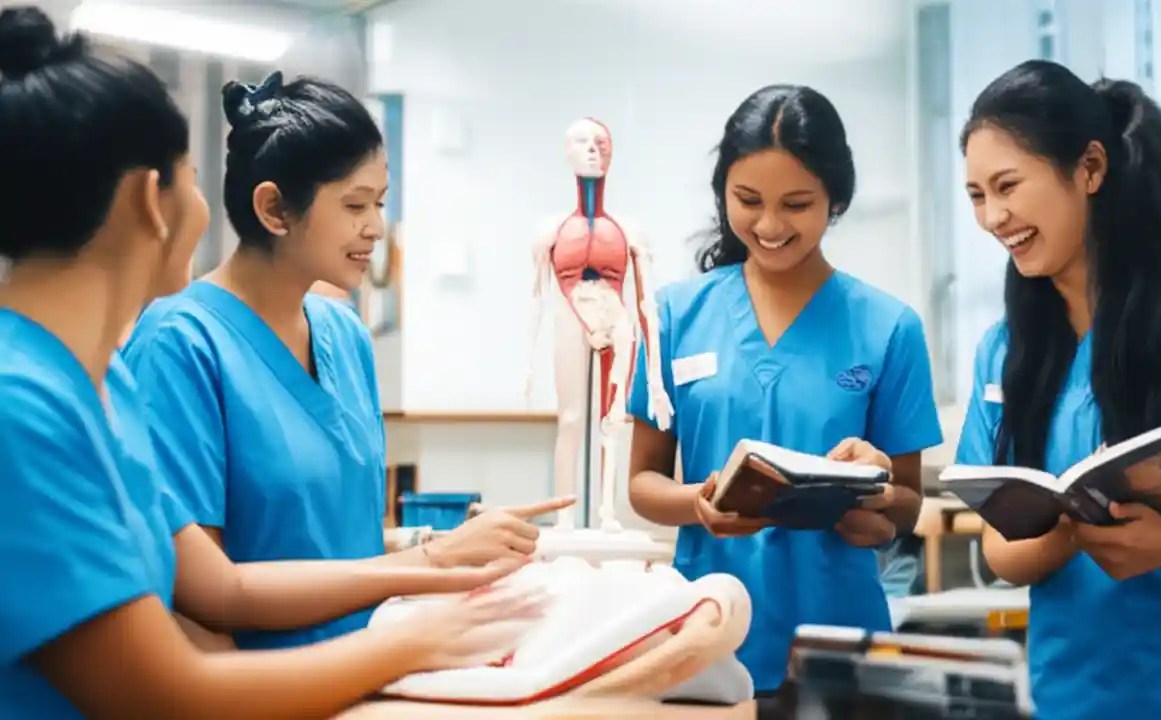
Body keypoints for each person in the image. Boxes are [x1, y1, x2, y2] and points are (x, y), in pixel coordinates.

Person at [0, 7, 543, 718]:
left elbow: (217, 589)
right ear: (148, 200)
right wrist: (416, 637)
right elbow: (162, 686)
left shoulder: (104, 387)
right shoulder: (23, 407)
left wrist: (431, 566)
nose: (205, 204)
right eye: (192, 179)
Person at [120, 69, 572, 651]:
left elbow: (329, 542)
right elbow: (192, 603)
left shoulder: (344, 335)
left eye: (380, 202)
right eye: (356, 204)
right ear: (275, 209)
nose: (377, 228)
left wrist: (443, 544)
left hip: (368, 671)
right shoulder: (179, 344)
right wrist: (431, 561)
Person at [956, 59, 1161, 719]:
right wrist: (1068, 531)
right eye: (976, 195)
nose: (993, 217)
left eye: (1008, 185)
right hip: (1072, 695)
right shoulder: (1003, 349)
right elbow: (998, 549)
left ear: (1091, 169)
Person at [625, 84, 944, 702]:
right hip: (707, 638)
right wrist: (700, 503)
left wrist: (876, 509)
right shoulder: (672, 316)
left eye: (796, 204)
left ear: (836, 199)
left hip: (838, 645)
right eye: (748, 200)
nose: (769, 226)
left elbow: (907, 504)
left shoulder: (888, 327)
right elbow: (642, 484)